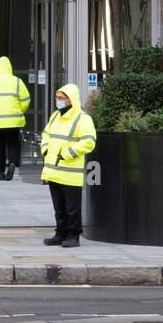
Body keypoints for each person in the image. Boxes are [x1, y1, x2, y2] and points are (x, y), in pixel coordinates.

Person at [39, 83, 97, 248]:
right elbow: (46, 134)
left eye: (62, 98)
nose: (58, 101)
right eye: (57, 98)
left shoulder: (83, 119)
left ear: (71, 100)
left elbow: (89, 142)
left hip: (70, 172)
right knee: (59, 207)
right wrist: (45, 149)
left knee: (72, 208)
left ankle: (73, 236)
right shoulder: (55, 116)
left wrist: (67, 153)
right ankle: (61, 233)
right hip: (52, 170)